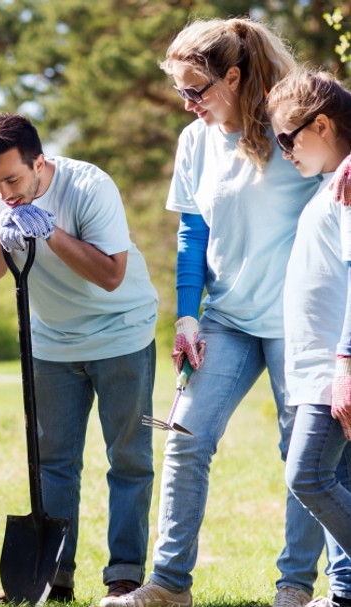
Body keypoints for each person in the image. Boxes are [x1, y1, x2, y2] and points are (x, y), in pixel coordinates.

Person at [104, 19, 327, 607]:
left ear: (234, 77)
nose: (186, 103)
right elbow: (191, 234)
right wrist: (187, 315)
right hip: (226, 317)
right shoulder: (195, 142)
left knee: (299, 454)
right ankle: (169, 586)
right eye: (180, 90)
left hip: (299, 322)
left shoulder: (291, 129)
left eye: (195, 90)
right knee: (184, 438)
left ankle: (294, 588)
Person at [0, 113, 158, 602]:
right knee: (53, 462)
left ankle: (124, 575)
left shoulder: (89, 187)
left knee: (129, 459)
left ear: (40, 163)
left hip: (122, 334)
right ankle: (55, 577)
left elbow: (112, 274)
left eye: (13, 179)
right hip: (51, 343)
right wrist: (1, 233)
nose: (5, 191)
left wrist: (49, 232)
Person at [268, 68, 351, 607]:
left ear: (321, 123)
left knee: (309, 476)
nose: (283, 152)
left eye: (286, 139)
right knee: (334, 477)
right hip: (316, 370)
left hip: (333, 370)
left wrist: (346, 364)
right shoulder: (334, 180)